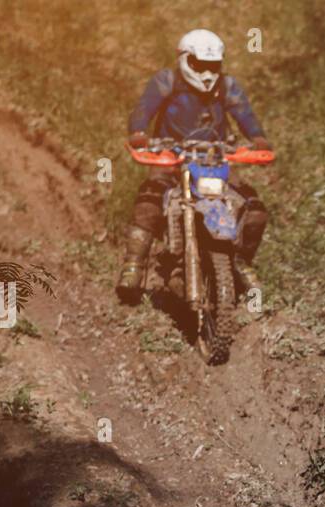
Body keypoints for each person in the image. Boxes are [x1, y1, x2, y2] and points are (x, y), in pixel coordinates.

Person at [116, 29, 271, 304]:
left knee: (254, 210)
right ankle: (133, 267)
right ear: (186, 59)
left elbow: (243, 112)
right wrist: (139, 132)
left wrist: (257, 137)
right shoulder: (166, 81)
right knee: (150, 203)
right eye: (200, 65)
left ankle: (239, 262)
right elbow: (143, 109)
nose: (207, 73)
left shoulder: (227, 85)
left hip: (214, 158)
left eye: (213, 66)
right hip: (172, 157)